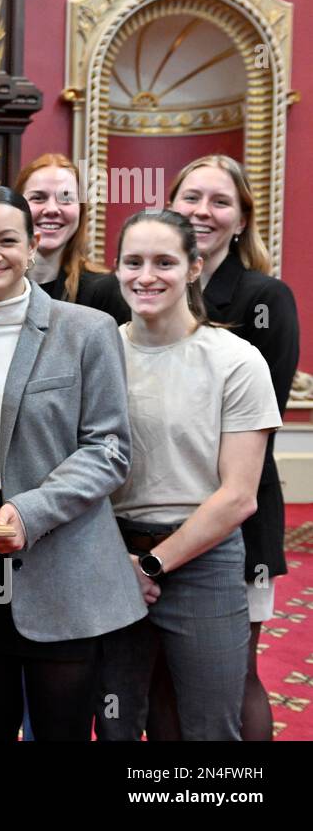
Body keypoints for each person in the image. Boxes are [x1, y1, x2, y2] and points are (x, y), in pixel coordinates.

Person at [0, 186, 144, 740]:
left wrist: (30, 512)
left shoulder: (86, 329)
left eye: (7, 240)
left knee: (61, 733)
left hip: (64, 569)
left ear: (33, 244)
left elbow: (109, 449)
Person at [96, 209, 281, 741]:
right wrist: (120, 563)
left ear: (194, 268)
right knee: (114, 722)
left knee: (210, 728)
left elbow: (239, 497)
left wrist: (151, 566)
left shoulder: (235, 360)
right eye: (132, 262)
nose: (146, 276)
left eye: (164, 262)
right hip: (112, 557)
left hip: (204, 559)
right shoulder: (97, 350)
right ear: (117, 268)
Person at [165, 155, 299, 741]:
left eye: (220, 201)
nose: (202, 212)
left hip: (234, 514)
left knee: (235, 676)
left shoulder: (265, 297)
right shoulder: (148, 288)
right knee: (160, 679)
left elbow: (255, 430)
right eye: (191, 197)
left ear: (242, 219)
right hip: (150, 518)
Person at [0, 153, 127, 320]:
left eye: (66, 199)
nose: (52, 209)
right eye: (38, 197)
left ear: (81, 210)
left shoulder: (104, 290)